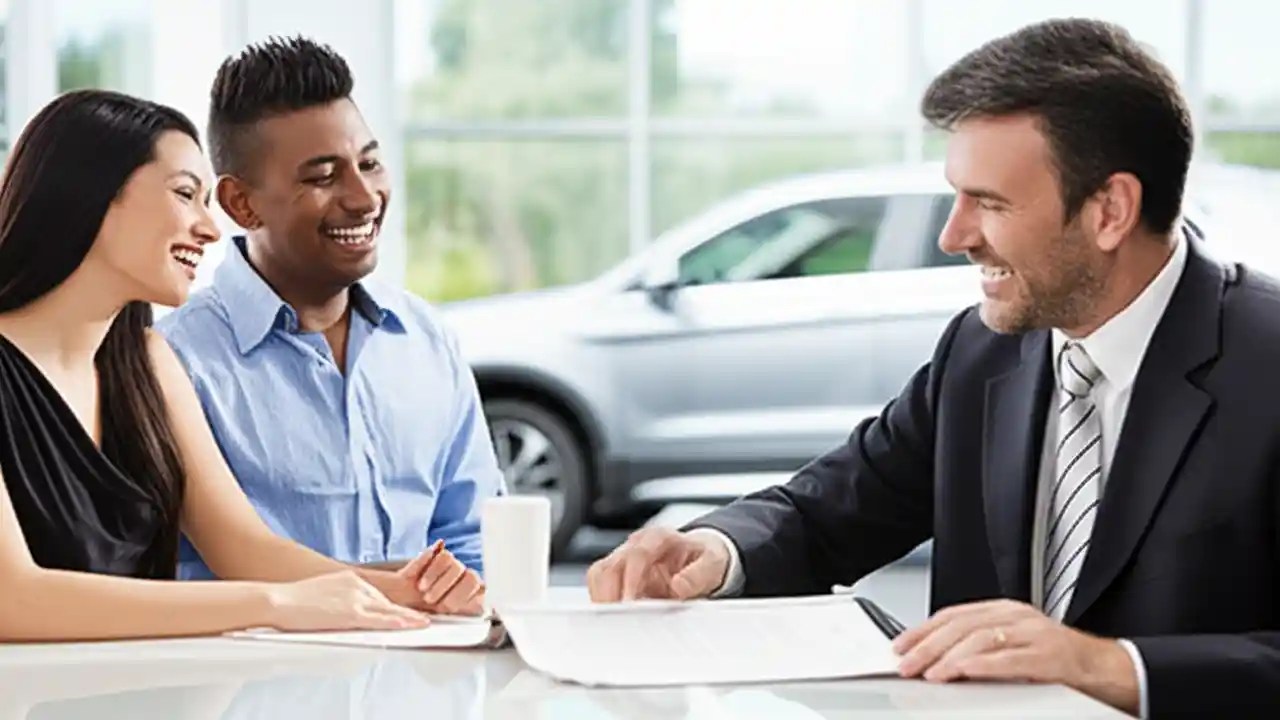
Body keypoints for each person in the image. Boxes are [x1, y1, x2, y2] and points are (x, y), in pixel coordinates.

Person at [586, 18, 1279, 717]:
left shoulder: (1268, 358)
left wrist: (1105, 665)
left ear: (1110, 210)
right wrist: (712, 550)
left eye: (990, 202)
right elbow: (829, 511)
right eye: (957, 194)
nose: (953, 236)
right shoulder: (980, 354)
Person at [0, 89, 470, 641]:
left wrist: (401, 593)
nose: (211, 228)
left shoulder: (148, 364)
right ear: (90, 194)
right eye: (185, 195)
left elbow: (244, 548)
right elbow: (15, 600)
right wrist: (274, 604)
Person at [156, 36, 504, 612]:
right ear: (243, 205)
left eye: (369, 163)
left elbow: (474, 543)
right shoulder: (177, 362)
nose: (364, 198)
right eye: (323, 177)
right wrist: (396, 591)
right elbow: (173, 582)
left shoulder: (427, 340)